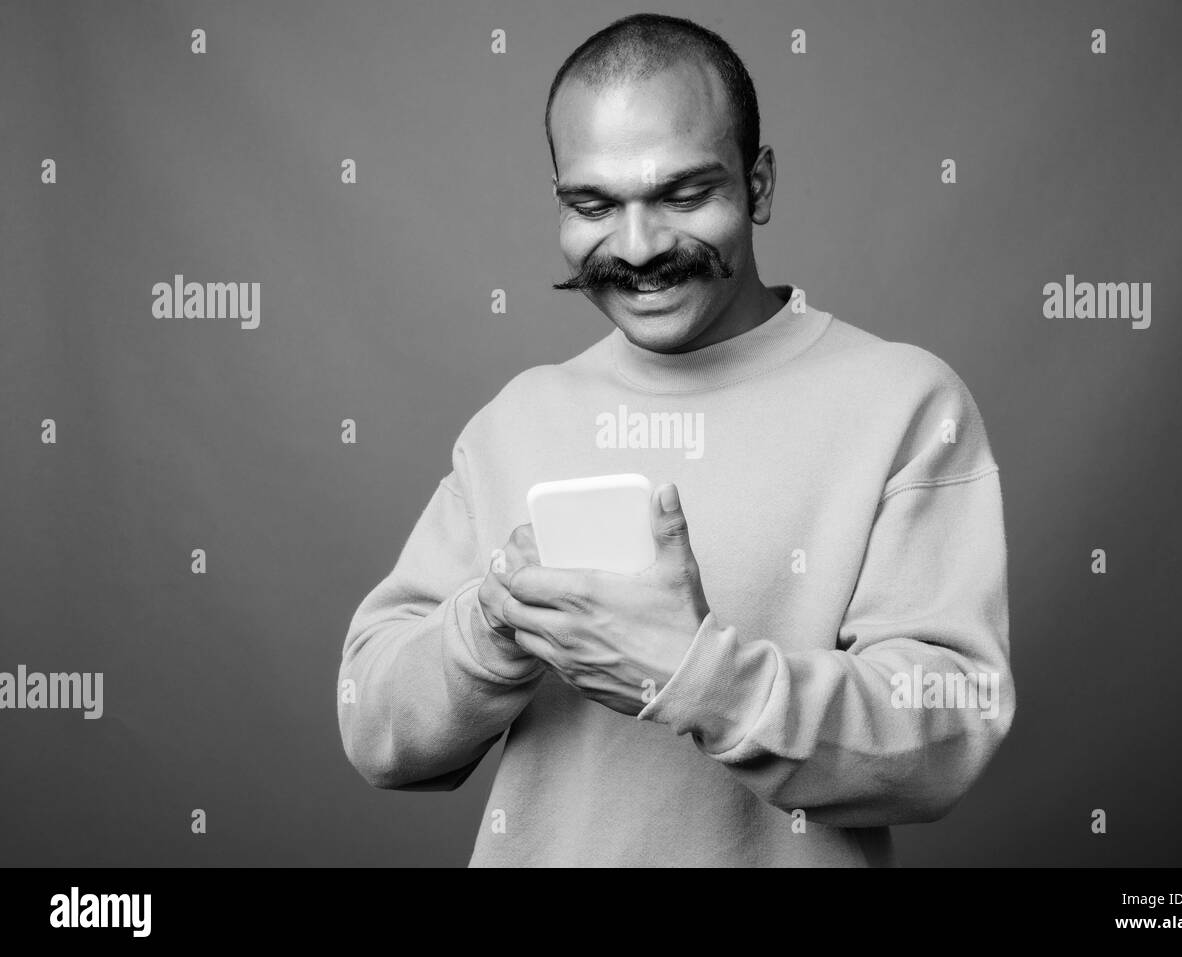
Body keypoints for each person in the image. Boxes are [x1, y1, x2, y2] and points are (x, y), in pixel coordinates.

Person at [337, 12, 1015, 867]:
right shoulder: (518, 419)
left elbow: (948, 730)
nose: (637, 245)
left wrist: (698, 678)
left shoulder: (907, 401)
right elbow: (374, 727)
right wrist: (495, 626)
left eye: (684, 195)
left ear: (759, 185)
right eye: (593, 204)